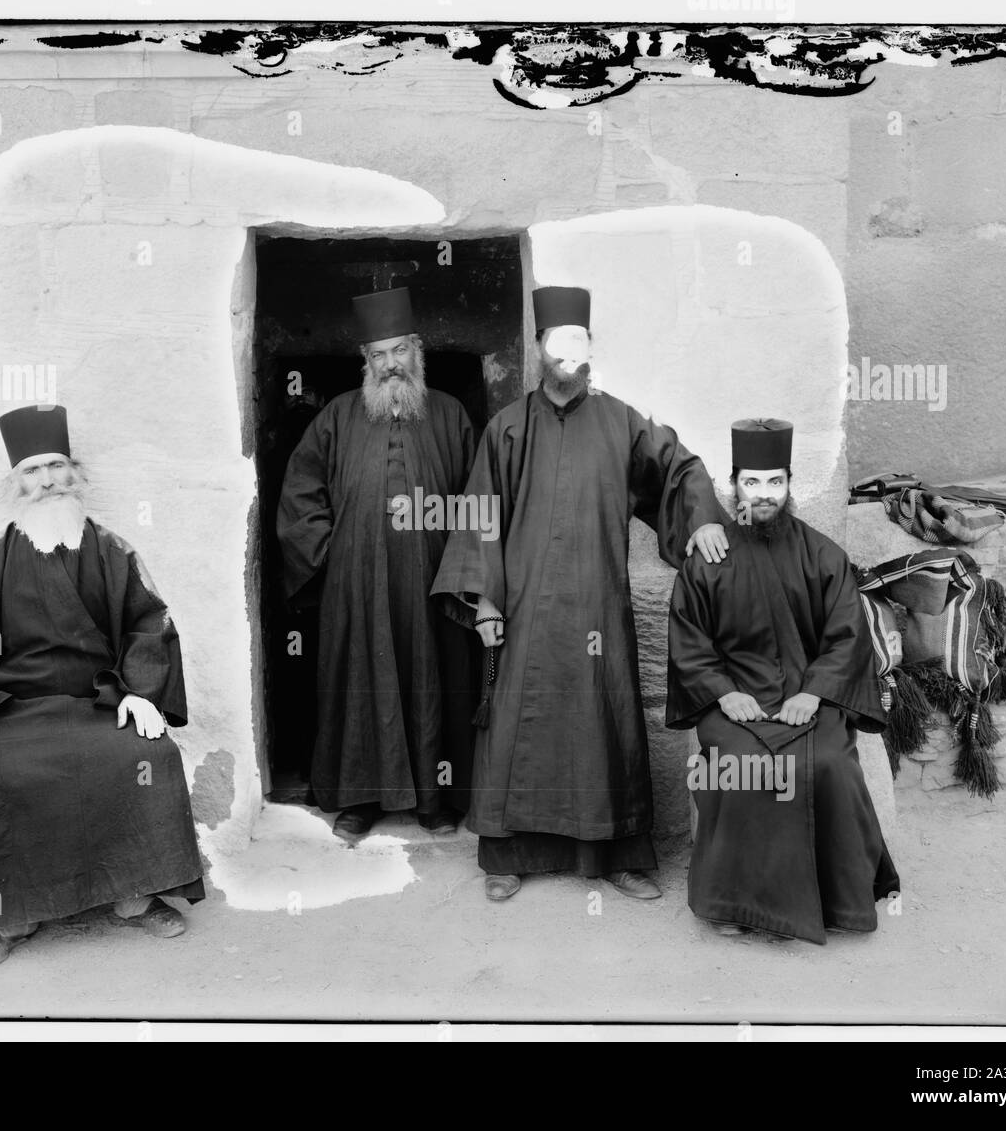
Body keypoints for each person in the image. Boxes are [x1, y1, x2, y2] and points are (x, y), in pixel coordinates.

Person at [430, 285, 728, 902]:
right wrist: (483, 602)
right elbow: (482, 515)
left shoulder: (621, 422)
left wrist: (700, 518)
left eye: (579, 348)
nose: (569, 359)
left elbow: (680, 468)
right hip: (524, 609)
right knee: (517, 729)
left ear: (590, 353)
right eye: (557, 346)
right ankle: (509, 856)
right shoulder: (507, 429)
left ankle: (617, 856)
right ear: (539, 350)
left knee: (602, 726)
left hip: (597, 608)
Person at [0, 404, 204, 973]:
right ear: (14, 483)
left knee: (149, 756)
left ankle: (134, 895)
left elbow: (150, 623)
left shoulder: (113, 552)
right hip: (15, 711)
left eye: (56, 466)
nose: (46, 480)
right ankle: (8, 916)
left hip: (99, 703)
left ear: (76, 473)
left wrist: (141, 693)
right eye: (32, 471)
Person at [666, 418, 901, 944]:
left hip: (809, 699)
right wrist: (725, 694)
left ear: (789, 484)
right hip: (734, 704)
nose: (764, 494)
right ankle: (734, 902)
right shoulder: (709, 559)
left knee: (825, 764)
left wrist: (812, 692)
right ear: (735, 484)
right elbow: (689, 640)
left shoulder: (823, 555)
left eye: (775, 482)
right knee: (739, 764)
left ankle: (835, 901)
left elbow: (847, 638)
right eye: (752, 482)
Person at [276, 287, 478, 839]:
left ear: (417, 351)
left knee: (433, 676)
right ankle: (360, 798)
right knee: (359, 682)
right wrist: (330, 553)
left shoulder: (451, 414)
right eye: (378, 355)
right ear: (366, 362)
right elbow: (299, 493)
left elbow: (477, 495)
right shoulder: (337, 416)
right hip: (356, 582)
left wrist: (465, 570)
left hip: (432, 581)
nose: (390, 364)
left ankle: (435, 798)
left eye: (399, 351)